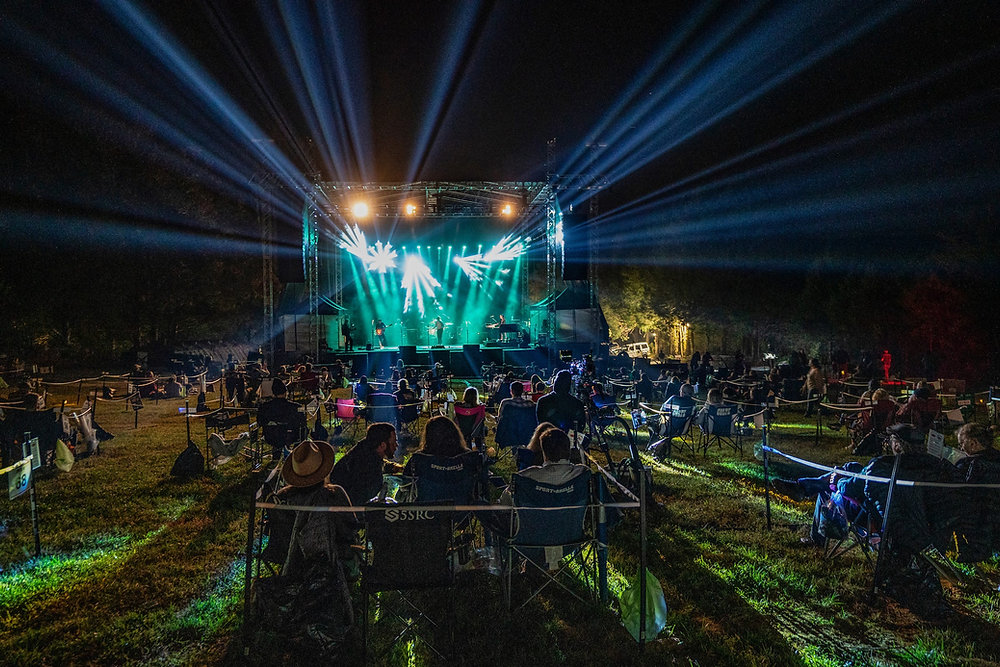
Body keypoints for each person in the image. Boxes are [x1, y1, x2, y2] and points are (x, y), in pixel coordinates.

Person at [329, 423, 403, 505]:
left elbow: (380, 463)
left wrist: (393, 467)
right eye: (394, 442)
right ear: (382, 445)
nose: (396, 445)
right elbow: (358, 498)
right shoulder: (366, 464)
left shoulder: (365, 450)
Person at [258, 379, 307, 459]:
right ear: (285, 392)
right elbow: (303, 422)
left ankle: (277, 452)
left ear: (273, 393)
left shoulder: (264, 407)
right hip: (291, 436)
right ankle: (295, 453)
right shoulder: (296, 407)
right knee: (304, 430)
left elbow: (260, 422)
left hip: (270, 436)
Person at [536, 369, 587, 435]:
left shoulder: (542, 401)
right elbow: (580, 426)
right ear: (569, 385)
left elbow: (540, 424)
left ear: (555, 383)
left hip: (547, 438)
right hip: (568, 440)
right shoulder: (577, 403)